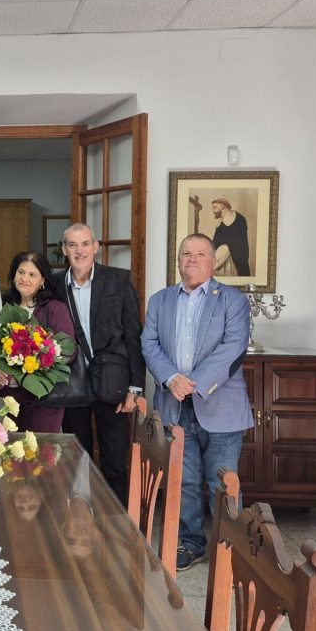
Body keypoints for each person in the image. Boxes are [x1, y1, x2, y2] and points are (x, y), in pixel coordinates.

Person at [141, 233, 252, 572]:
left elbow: (233, 347)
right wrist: (171, 378)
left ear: (213, 261)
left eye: (199, 254)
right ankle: (190, 544)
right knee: (185, 482)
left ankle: (231, 548)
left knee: (222, 483)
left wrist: (195, 384)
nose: (191, 259)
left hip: (220, 406)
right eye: (185, 254)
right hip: (174, 406)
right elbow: (149, 344)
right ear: (178, 260)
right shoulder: (160, 300)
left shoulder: (232, 301)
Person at [53, 223, 144, 505]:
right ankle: (81, 519)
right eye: (72, 245)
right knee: (77, 458)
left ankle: (118, 525)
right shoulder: (55, 285)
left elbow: (133, 335)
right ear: (64, 249)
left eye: (84, 244)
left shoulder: (118, 280)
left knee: (116, 461)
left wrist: (136, 387)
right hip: (72, 384)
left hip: (113, 384)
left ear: (96, 246)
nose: (79, 251)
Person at [0, 251, 75, 432]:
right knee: (12, 453)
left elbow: (68, 351)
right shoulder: (4, 306)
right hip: (11, 398)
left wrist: (36, 361)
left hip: (43, 399)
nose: (25, 279)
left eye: (32, 275)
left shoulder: (54, 308)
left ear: (42, 280)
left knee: (39, 453)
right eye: (21, 272)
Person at [211, 197, 250, 275]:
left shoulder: (239, 219)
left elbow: (241, 245)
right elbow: (214, 246)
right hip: (223, 263)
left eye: (215, 207)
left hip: (237, 264)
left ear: (222, 206)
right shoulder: (219, 226)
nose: (213, 211)